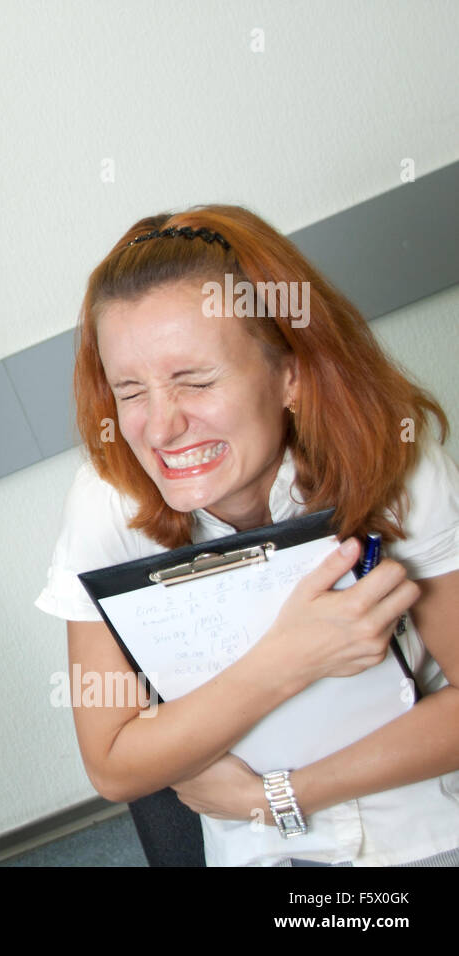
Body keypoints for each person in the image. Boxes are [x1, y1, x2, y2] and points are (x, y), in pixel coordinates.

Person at [34, 204, 459, 867]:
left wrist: (276, 796)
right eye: (131, 392)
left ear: (292, 373)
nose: (161, 427)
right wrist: (289, 659)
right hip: (260, 853)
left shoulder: (392, 456)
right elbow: (113, 764)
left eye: (195, 381)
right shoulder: (107, 505)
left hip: (423, 817)